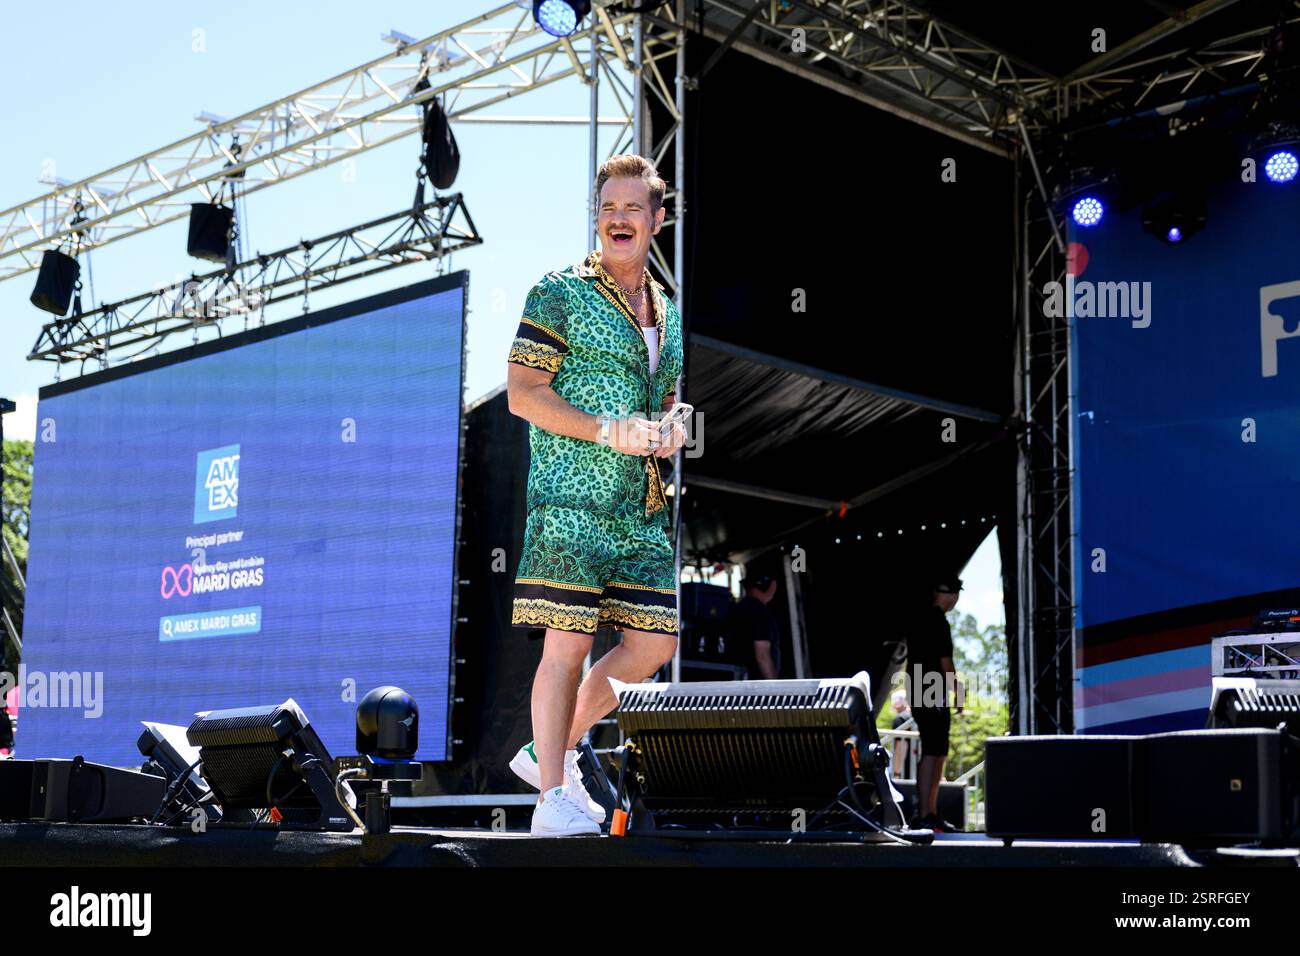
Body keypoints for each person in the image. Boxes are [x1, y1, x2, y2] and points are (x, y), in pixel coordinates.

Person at [503, 154, 687, 837]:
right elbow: (524, 395)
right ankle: (552, 795)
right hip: (571, 500)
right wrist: (608, 431)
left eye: (633, 208)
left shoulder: (665, 311)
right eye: (609, 206)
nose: (618, 218)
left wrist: (671, 430)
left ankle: (540, 749)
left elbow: (667, 402)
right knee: (567, 645)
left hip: (639, 508)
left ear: (656, 221)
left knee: (652, 645)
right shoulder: (558, 292)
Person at [907, 572, 964, 832]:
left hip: (920, 686)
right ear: (939, 594)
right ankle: (925, 813)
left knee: (938, 750)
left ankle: (930, 811)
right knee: (934, 750)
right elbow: (945, 662)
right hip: (930, 689)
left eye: (956, 593)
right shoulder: (937, 621)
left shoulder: (919, 618)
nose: (954, 598)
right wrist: (958, 691)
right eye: (951, 592)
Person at [730, 574, 780, 679]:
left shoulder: (740, 608)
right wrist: (773, 688)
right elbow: (762, 655)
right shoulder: (758, 611)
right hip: (755, 685)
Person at [888, 689, 912, 780]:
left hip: (905, 774)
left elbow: (901, 747)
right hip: (921, 771)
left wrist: (896, 773)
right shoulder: (918, 718)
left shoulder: (900, 719)